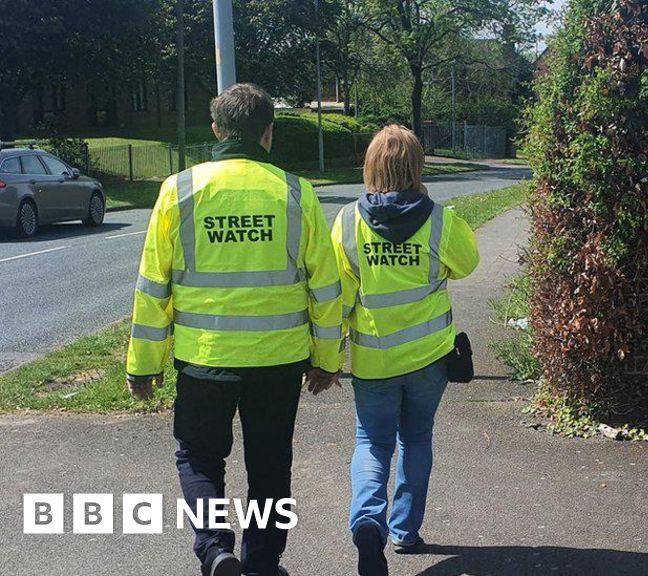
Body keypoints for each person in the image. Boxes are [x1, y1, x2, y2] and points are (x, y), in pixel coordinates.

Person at [125, 83, 344, 576]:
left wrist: (143, 366)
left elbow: (153, 288)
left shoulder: (178, 191)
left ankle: (215, 548)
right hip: (277, 360)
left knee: (200, 458)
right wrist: (327, 361)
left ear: (216, 129)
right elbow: (326, 291)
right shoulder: (296, 193)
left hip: (205, 359)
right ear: (269, 133)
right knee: (270, 465)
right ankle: (262, 564)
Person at [332, 125, 479, 576]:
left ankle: (367, 522)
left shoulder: (348, 223)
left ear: (370, 166)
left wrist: (328, 359)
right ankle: (404, 531)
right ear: (417, 167)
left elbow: (338, 298)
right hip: (429, 360)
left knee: (371, 443)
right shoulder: (440, 221)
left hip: (373, 360)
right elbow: (468, 264)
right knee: (416, 440)